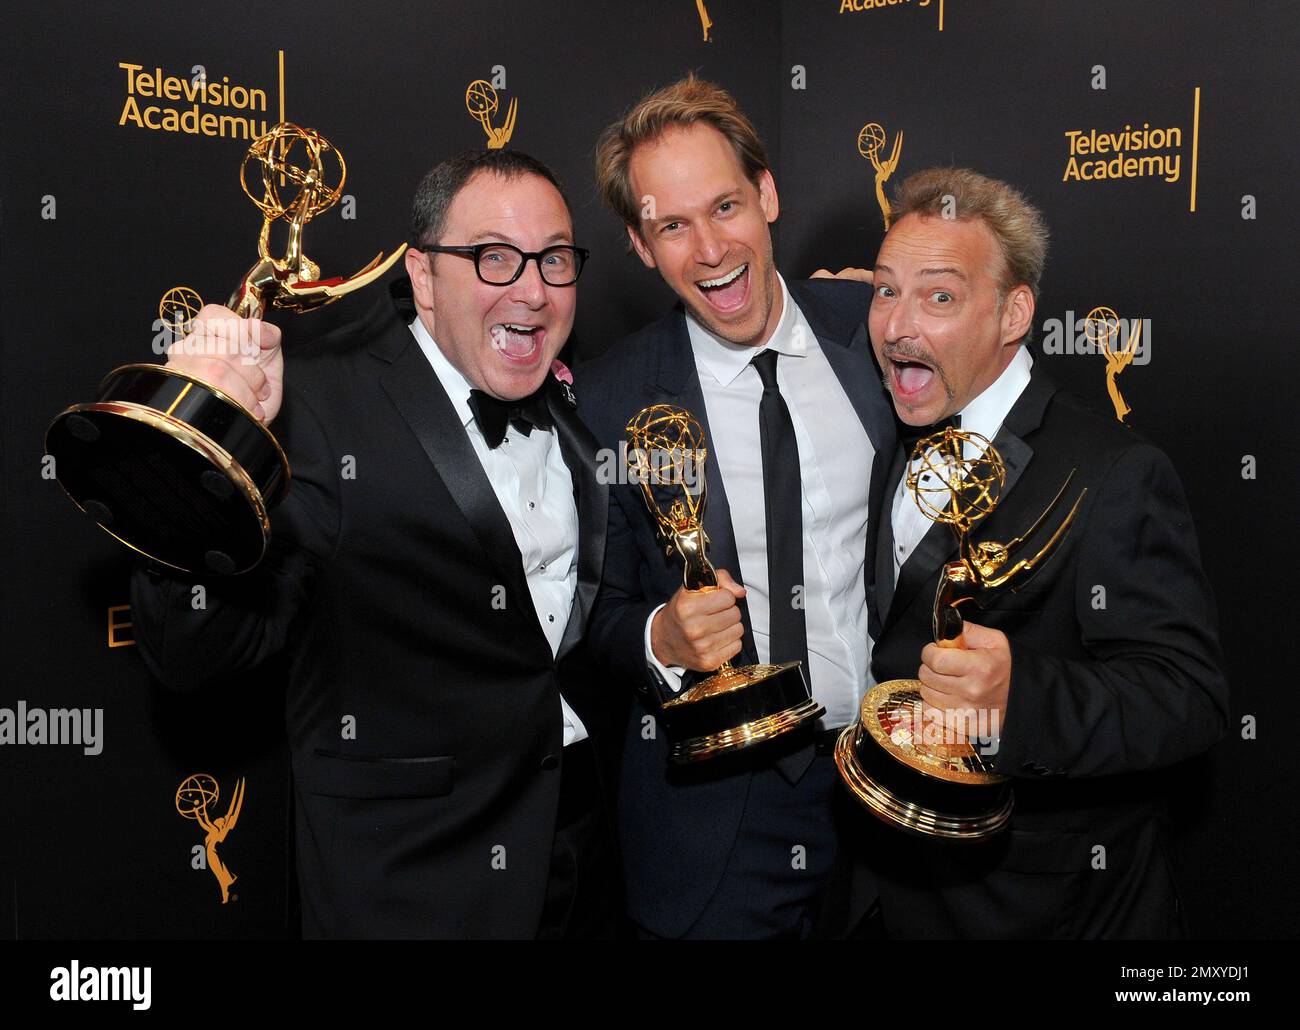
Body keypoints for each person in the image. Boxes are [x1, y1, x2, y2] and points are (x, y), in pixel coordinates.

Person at [129, 149, 625, 939]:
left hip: (579, 867)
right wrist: (200, 451)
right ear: (423, 278)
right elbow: (194, 651)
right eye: (494, 257)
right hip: (409, 886)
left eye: (555, 259)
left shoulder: (574, 405)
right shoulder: (319, 412)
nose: (533, 290)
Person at [858, 166, 1228, 937]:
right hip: (887, 890)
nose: (897, 325)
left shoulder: (1113, 473)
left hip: (1041, 907)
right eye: (884, 290)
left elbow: (1187, 698)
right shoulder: (895, 430)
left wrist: (1018, 700)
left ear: (1014, 312)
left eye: (939, 296)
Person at [580, 76, 897, 938]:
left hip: (890, 795)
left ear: (766, 194)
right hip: (717, 821)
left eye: (725, 206)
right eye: (671, 225)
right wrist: (660, 637)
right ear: (642, 247)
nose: (711, 248)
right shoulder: (609, 401)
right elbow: (591, 614)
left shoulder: (874, 329)